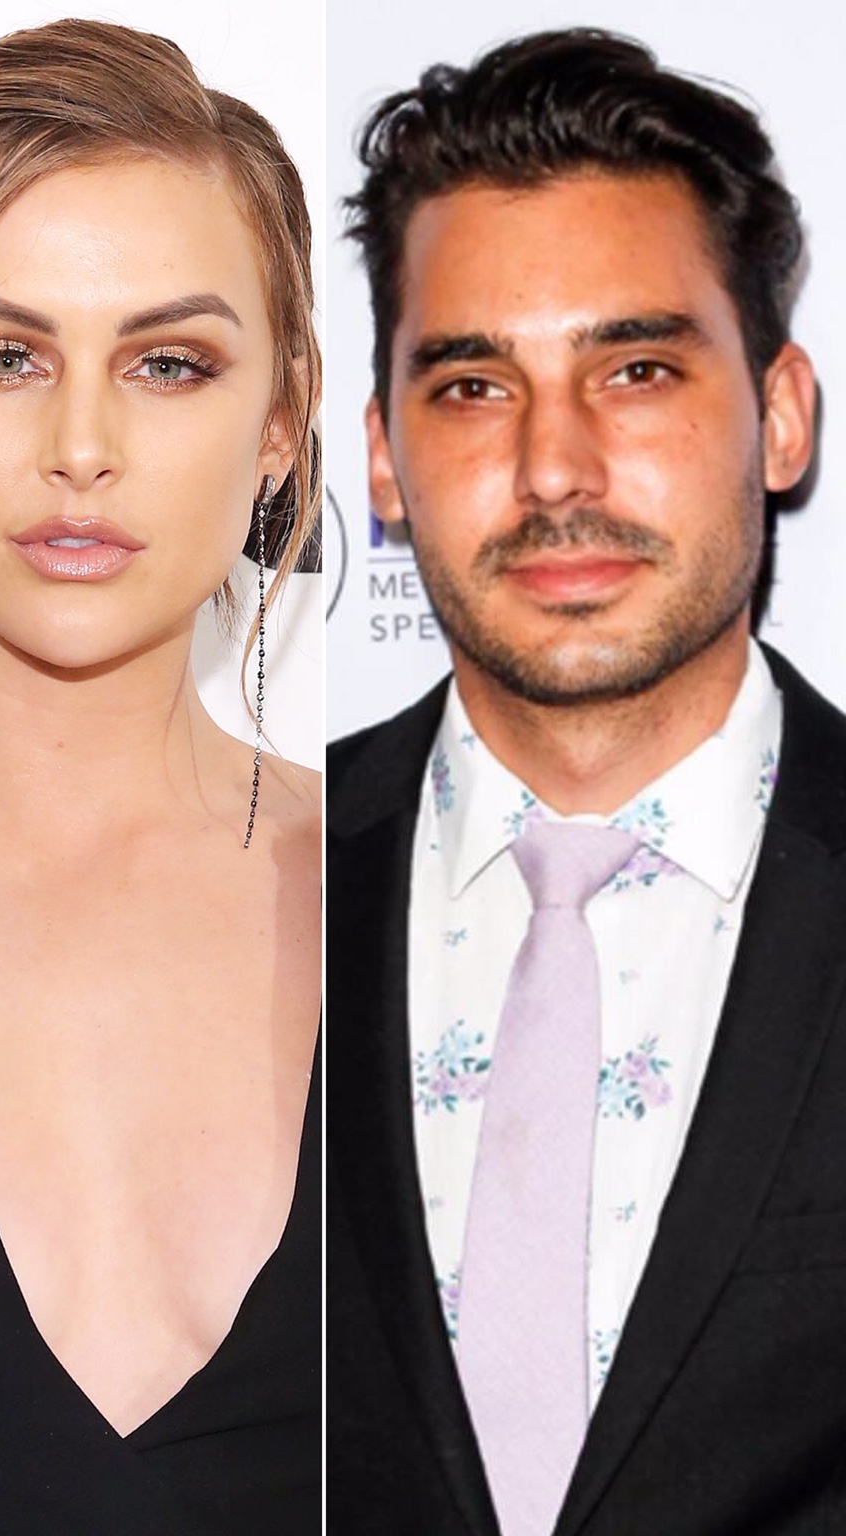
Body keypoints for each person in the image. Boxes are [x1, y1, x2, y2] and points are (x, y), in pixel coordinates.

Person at [326, 27, 846, 1536]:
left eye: (636, 370)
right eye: (473, 386)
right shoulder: (221, 897)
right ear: (382, 457)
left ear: (782, 415)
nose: (555, 467)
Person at [0, 19, 322, 1530]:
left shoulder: (436, 895)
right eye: (1, 356)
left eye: (168, 363)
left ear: (281, 422)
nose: (82, 444)